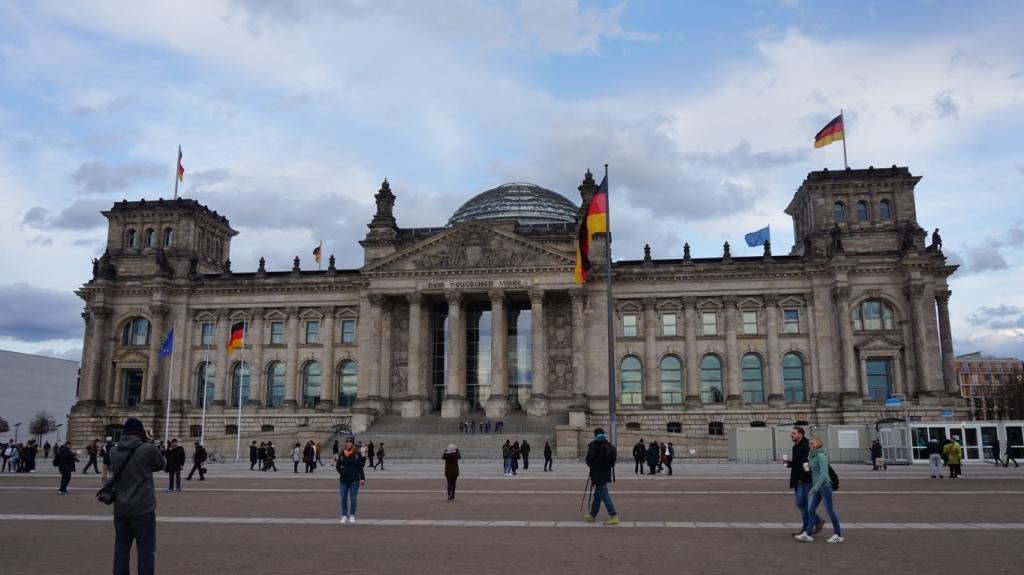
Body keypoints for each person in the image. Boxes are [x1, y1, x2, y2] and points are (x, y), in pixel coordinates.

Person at [109, 417, 165, 575]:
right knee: (146, 550)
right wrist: (150, 442)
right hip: (143, 507)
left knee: (121, 549)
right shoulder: (147, 449)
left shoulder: (114, 451)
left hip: (120, 508)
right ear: (140, 432)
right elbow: (161, 464)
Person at [794, 437, 843, 543]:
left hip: (825, 487)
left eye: (812, 443)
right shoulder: (811, 456)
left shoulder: (821, 456)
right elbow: (814, 472)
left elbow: (824, 473)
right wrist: (807, 470)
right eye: (809, 443)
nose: (809, 445)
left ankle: (838, 535)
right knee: (811, 510)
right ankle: (807, 534)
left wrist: (814, 488)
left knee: (830, 511)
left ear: (817, 445)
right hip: (817, 487)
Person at [785, 426, 824, 536]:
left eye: (794, 433)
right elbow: (797, 463)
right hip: (797, 479)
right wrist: (788, 463)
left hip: (805, 480)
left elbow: (808, 463)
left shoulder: (806, 446)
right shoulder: (795, 447)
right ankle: (816, 521)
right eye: (791, 433)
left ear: (800, 434)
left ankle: (807, 528)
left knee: (803, 504)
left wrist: (804, 477)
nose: (791, 435)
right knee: (801, 504)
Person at [583, 427, 619, 526]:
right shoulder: (608, 444)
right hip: (606, 473)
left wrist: (594, 465)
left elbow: (588, 461)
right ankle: (592, 516)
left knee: (604, 495)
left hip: (597, 474)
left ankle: (614, 515)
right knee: (597, 496)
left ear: (595, 434)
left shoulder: (595, 445)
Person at [335, 438, 365, 524]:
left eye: (350, 443)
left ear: (352, 444)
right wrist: (341, 471)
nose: (348, 444)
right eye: (347, 442)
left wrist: (362, 478)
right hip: (343, 480)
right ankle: (344, 515)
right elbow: (338, 465)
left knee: (353, 498)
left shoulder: (357, 454)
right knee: (343, 497)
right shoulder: (342, 453)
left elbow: (360, 467)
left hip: (354, 480)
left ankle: (352, 515)